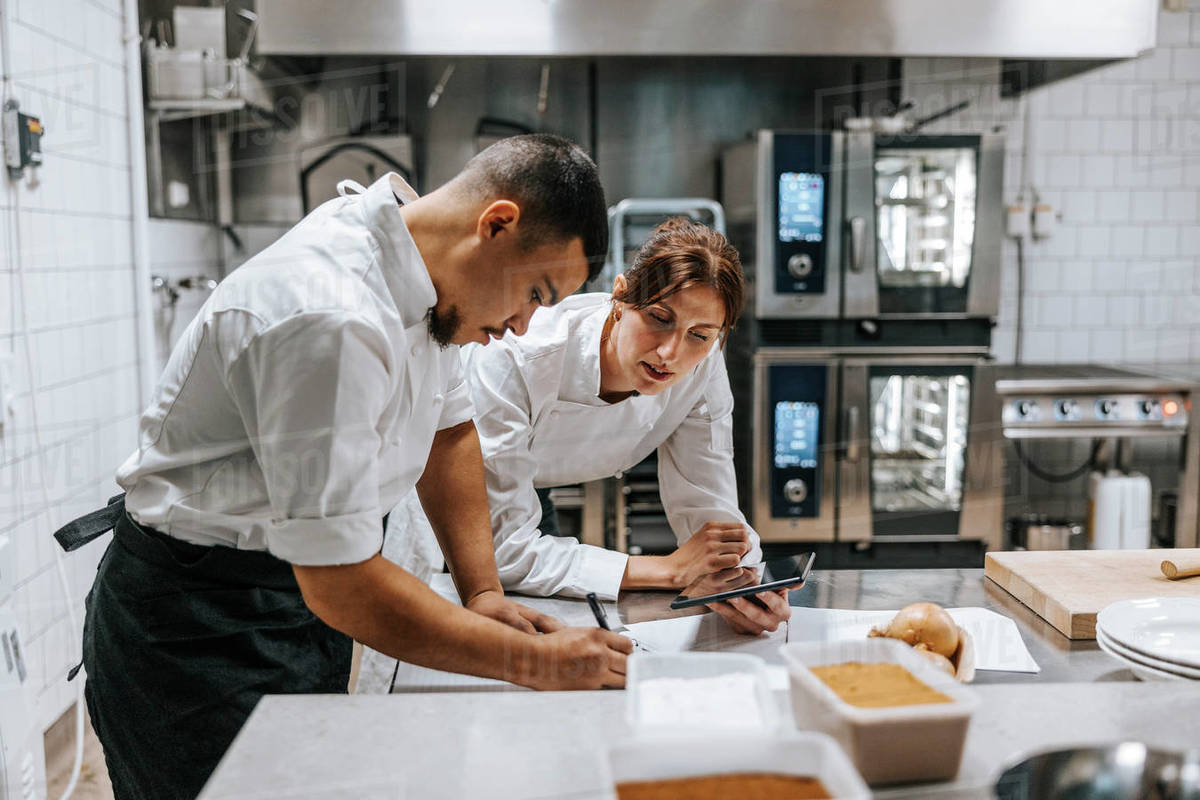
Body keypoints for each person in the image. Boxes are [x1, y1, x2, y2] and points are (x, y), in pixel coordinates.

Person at [52, 134, 632, 800]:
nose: (525, 326)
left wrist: (485, 595)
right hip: (192, 627)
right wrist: (531, 662)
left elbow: (449, 434)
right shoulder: (332, 316)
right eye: (535, 292)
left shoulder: (421, 265)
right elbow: (342, 582)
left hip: (292, 602)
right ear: (496, 225)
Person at [382, 218, 791, 642]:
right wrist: (668, 570)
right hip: (444, 497)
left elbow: (710, 508)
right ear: (619, 298)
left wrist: (739, 583)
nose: (671, 352)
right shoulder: (517, 358)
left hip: (529, 494)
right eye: (659, 318)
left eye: (699, 335)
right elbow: (499, 552)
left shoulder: (703, 366)